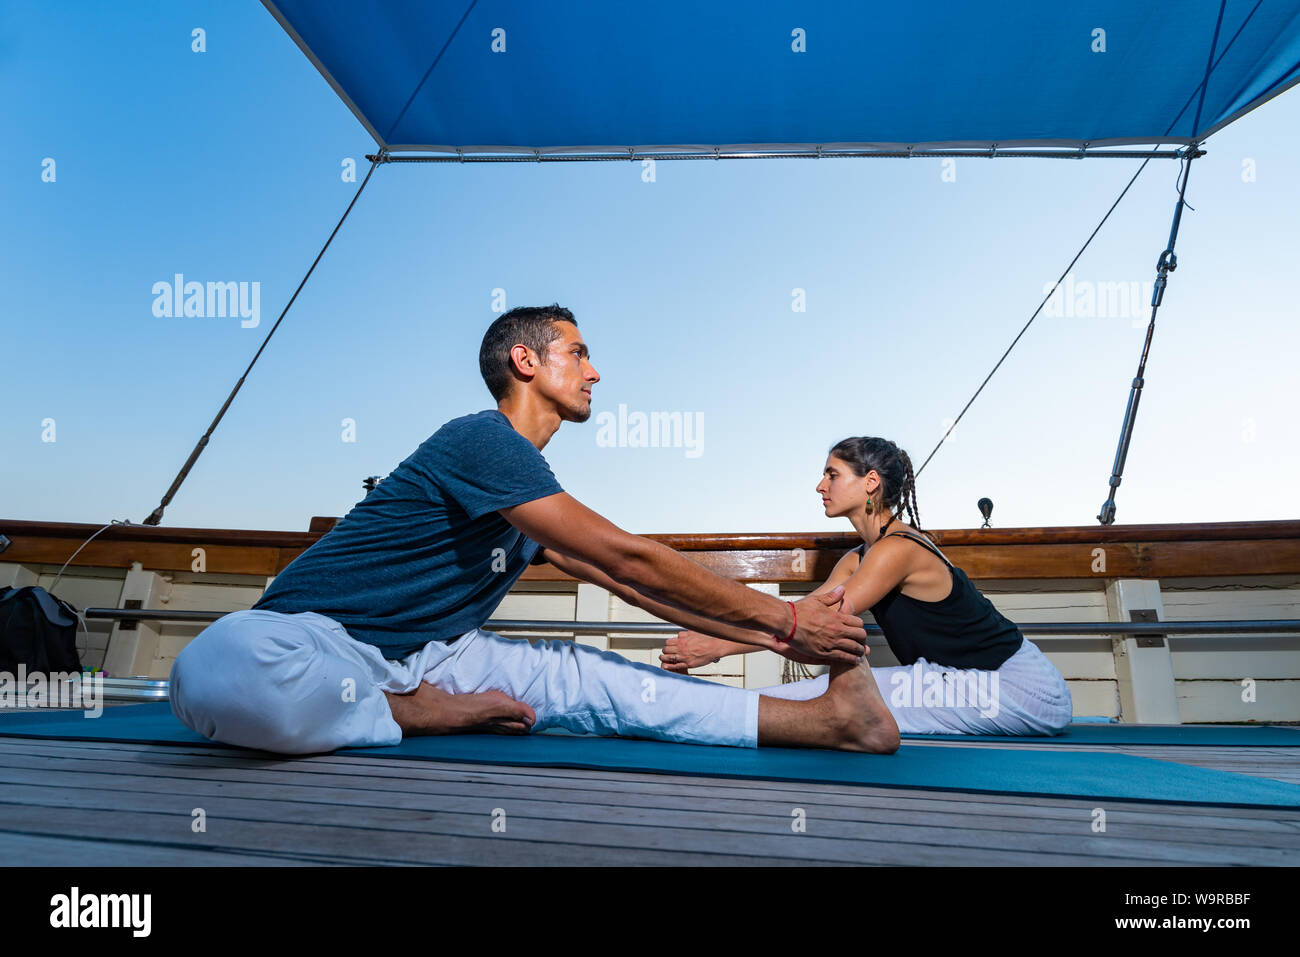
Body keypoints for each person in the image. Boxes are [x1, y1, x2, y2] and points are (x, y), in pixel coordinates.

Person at [168, 306, 901, 755]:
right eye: (578, 353)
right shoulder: (480, 439)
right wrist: (785, 616)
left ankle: (834, 721)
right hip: (317, 640)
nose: (595, 372)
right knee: (211, 666)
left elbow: (626, 582)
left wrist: (780, 636)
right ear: (526, 360)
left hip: (434, 654)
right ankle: (412, 714)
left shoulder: (525, 488)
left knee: (604, 682)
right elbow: (628, 555)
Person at [660, 437, 1074, 736]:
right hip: (952, 677)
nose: (820, 486)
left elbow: (816, 623)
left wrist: (717, 646)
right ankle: (695, 711)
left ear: (870, 482)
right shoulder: (859, 557)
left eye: (832, 474)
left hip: (1018, 687)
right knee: (827, 696)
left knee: (827, 700)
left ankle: (690, 714)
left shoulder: (898, 550)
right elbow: (803, 613)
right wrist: (714, 632)